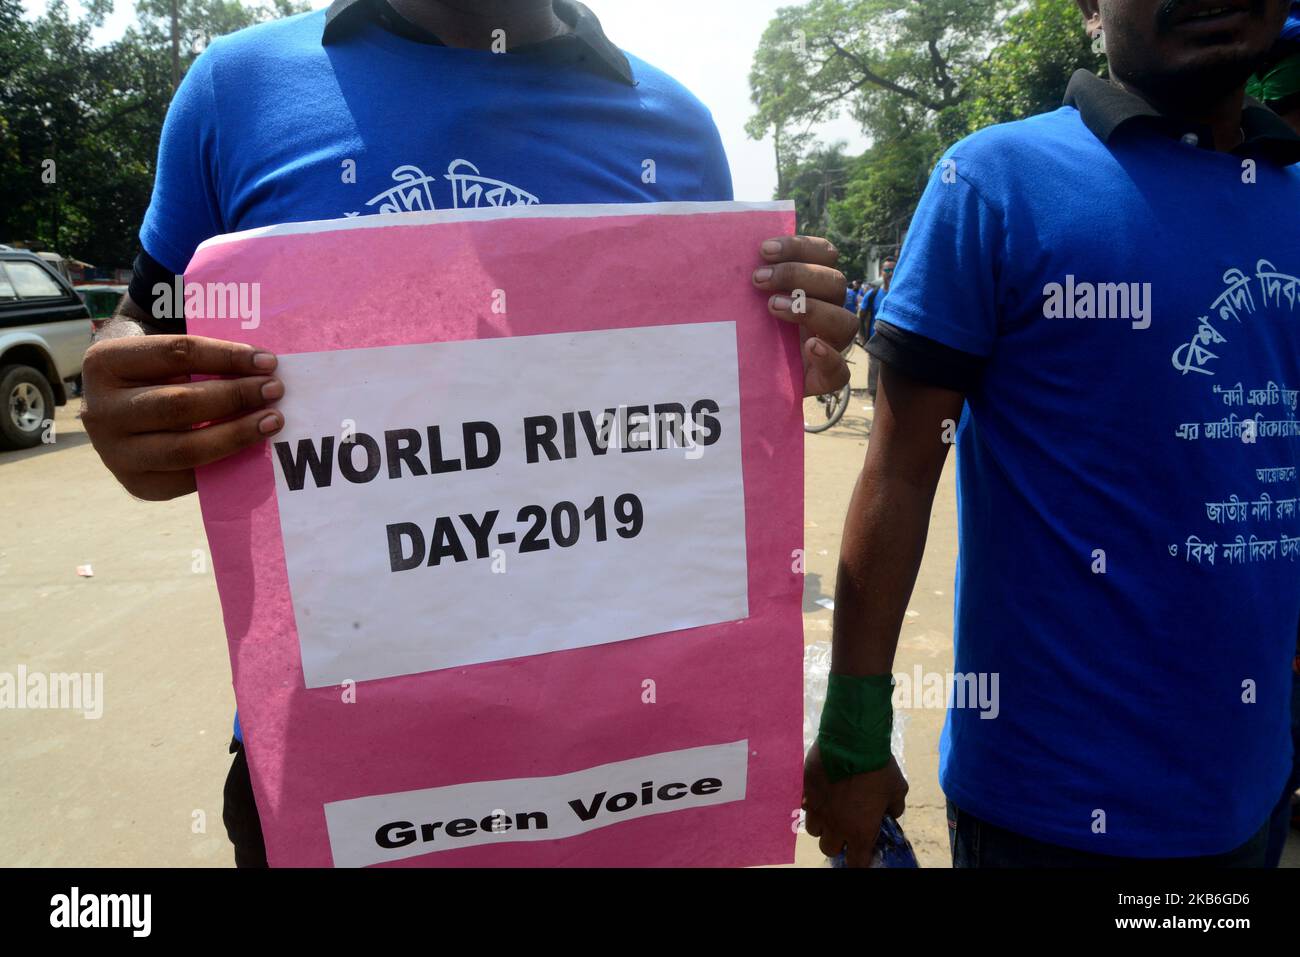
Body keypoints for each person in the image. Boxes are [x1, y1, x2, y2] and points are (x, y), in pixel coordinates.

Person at [80, 0, 857, 867]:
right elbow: (144, 321)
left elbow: (694, 450)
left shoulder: (672, 127)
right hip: (340, 770)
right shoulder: (237, 91)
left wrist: (789, 362)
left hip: (625, 764)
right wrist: (122, 395)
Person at [804, 0, 1300, 867]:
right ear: (1090, 8)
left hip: (1255, 792)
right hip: (1049, 810)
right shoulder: (997, 182)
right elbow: (902, 470)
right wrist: (852, 731)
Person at [856, 256, 895, 403]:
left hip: (897, 348)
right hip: (876, 345)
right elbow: (862, 316)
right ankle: (874, 406)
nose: (890, 273)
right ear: (881, 272)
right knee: (875, 383)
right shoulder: (872, 295)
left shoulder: (901, 295)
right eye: (887, 270)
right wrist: (862, 337)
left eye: (893, 270)